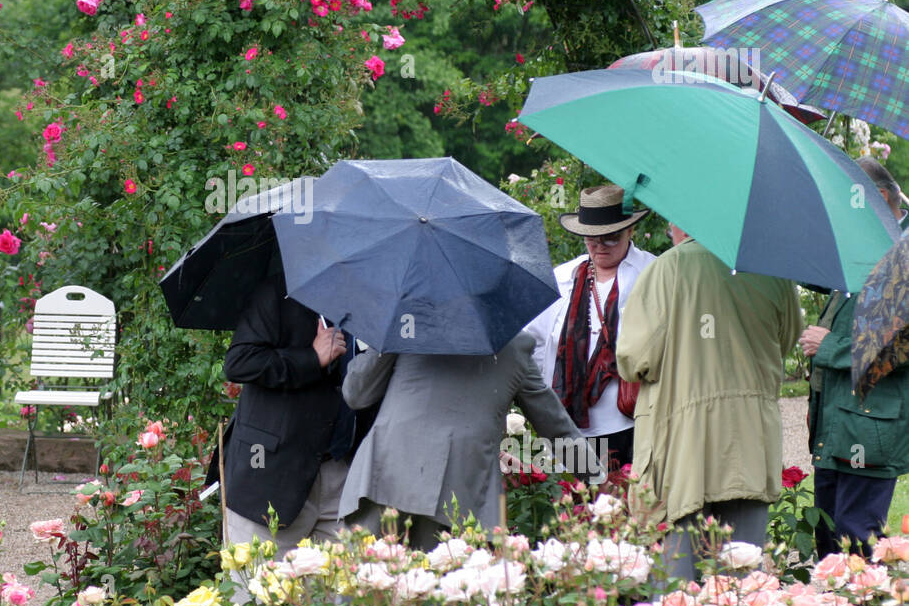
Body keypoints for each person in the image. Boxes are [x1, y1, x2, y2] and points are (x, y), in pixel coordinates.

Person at [616, 230, 803, 581]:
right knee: (744, 576)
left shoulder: (666, 269)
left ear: (681, 220)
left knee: (678, 581)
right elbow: (788, 336)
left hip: (682, 445)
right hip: (750, 441)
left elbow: (634, 359)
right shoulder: (770, 268)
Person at [338, 335, 598, 550]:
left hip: (385, 476)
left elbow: (356, 393)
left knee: (358, 598)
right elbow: (556, 428)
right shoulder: (513, 346)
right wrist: (598, 479)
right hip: (457, 490)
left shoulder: (408, 325)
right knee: (437, 604)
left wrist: (386, 336)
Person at [801, 156, 909, 556]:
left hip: (870, 429)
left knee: (856, 543)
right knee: (829, 539)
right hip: (839, 428)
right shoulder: (863, 250)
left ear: (878, 199)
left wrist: (828, 346)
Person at [216, 268, 355, 557]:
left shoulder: (369, 297)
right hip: (271, 474)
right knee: (254, 596)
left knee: (333, 598)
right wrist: (311, 359)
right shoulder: (280, 288)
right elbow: (240, 362)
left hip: (342, 477)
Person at [525, 184, 655, 472]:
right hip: (569, 427)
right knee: (574, 508)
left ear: (630, 231)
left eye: (609, 239)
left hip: (628, 422)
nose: (598, 246)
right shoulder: (563, 278)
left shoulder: (652, 275)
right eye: (591, 239)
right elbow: (532, 343)